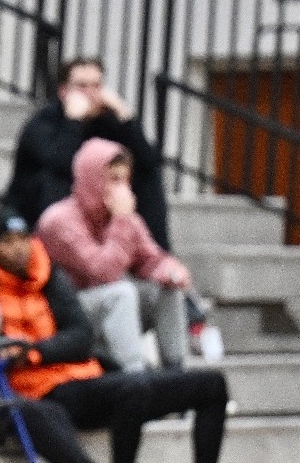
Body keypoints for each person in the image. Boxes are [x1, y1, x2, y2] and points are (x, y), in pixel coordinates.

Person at [0, 204, 258, 463]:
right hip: (44, 393)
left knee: (210, 385)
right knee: (131, 388)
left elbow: (82, 336)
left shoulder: (47, 273)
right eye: (7, 241)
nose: (19, 247)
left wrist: (34, 351)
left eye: (23, 237)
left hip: (84, 378)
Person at [36, 138, 192, 373]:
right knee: (122, 292)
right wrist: (122, 222)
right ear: (92, 180)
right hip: (66, 313)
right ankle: (135, 377)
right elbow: (103, 272)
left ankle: (176, 371)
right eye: (114, 180)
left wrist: (171, 271)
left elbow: (150, 259)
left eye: (125, 180)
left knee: (165, 289)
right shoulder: (59, 220)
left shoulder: (123, 217)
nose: (123, 189)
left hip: (108, 305)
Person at [6, 56, 172, 249]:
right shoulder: (43, 123)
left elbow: (149, 161)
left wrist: (126, 117)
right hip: (42, 213)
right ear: (63, 92)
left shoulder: (107, 119)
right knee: (53, 179)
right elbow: (61, 165)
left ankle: (159, 251)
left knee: (148, 176)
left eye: (96, 86)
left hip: (98, 205)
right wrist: (73, 122)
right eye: (82, 86)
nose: (90, 94)